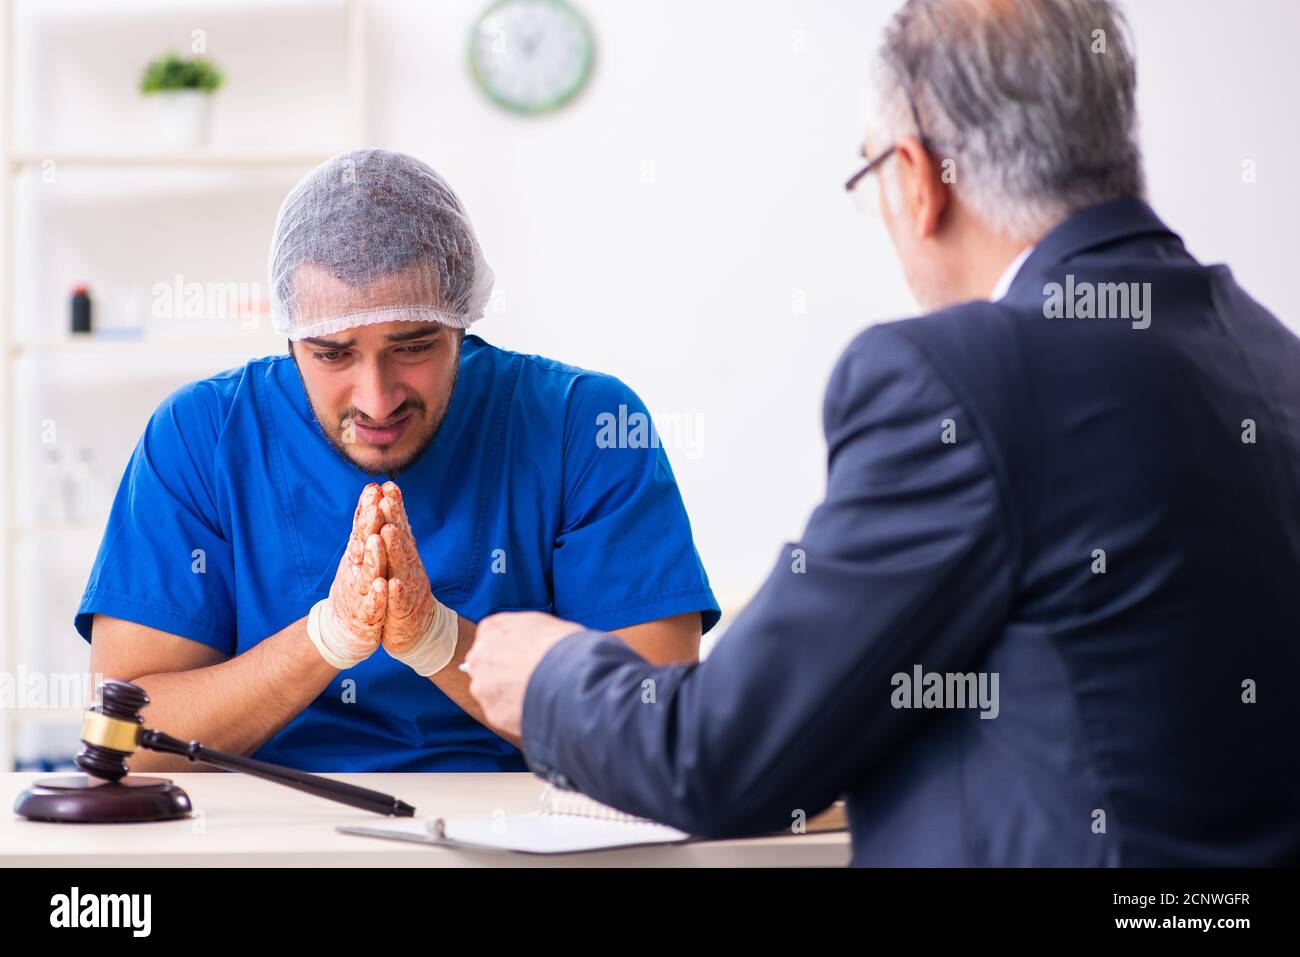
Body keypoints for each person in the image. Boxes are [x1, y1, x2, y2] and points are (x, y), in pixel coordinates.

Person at [464, 0, 1300, 865]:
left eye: (869, 178)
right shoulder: (1270, 354)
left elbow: (720, 758)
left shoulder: (961, 377)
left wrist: (548, 675)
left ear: (917, 175)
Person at [76, 149, 718, 773]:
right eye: (332, 353)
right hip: (270, 831)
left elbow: (656, 727)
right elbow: (126, 740)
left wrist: (438, 641)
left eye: (412, 345)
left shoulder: (586, 426)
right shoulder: (199, 436)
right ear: (290, 334)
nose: (377, 400)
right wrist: (325, 638)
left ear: (462, 319)